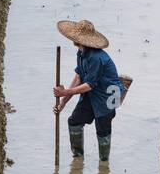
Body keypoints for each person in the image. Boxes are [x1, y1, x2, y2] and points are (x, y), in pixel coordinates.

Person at [53, 19, 123, 162]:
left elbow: (89, 85)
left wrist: (64, 92)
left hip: (107, 96)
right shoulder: (81, 53)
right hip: (92, 95)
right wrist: (62, 103)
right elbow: (79, 77)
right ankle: (77, 159)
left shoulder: (97, 58)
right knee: (74, 121)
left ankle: (104, 165)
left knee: (103, 132)